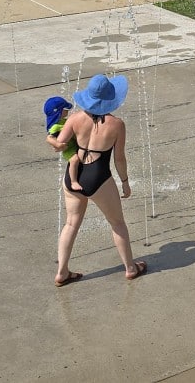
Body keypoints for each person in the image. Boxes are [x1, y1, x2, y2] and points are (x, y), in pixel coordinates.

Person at [46, 74, 146, 285]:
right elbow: (119, 158)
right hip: (98, 176)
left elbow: (60, 144)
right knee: (117, 223)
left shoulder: (74, 119)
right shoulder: (117, 125)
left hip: (73, 174)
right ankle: (130, 268)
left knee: (71, 224)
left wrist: (51, 137)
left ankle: (62, 272)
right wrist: (125, 182)